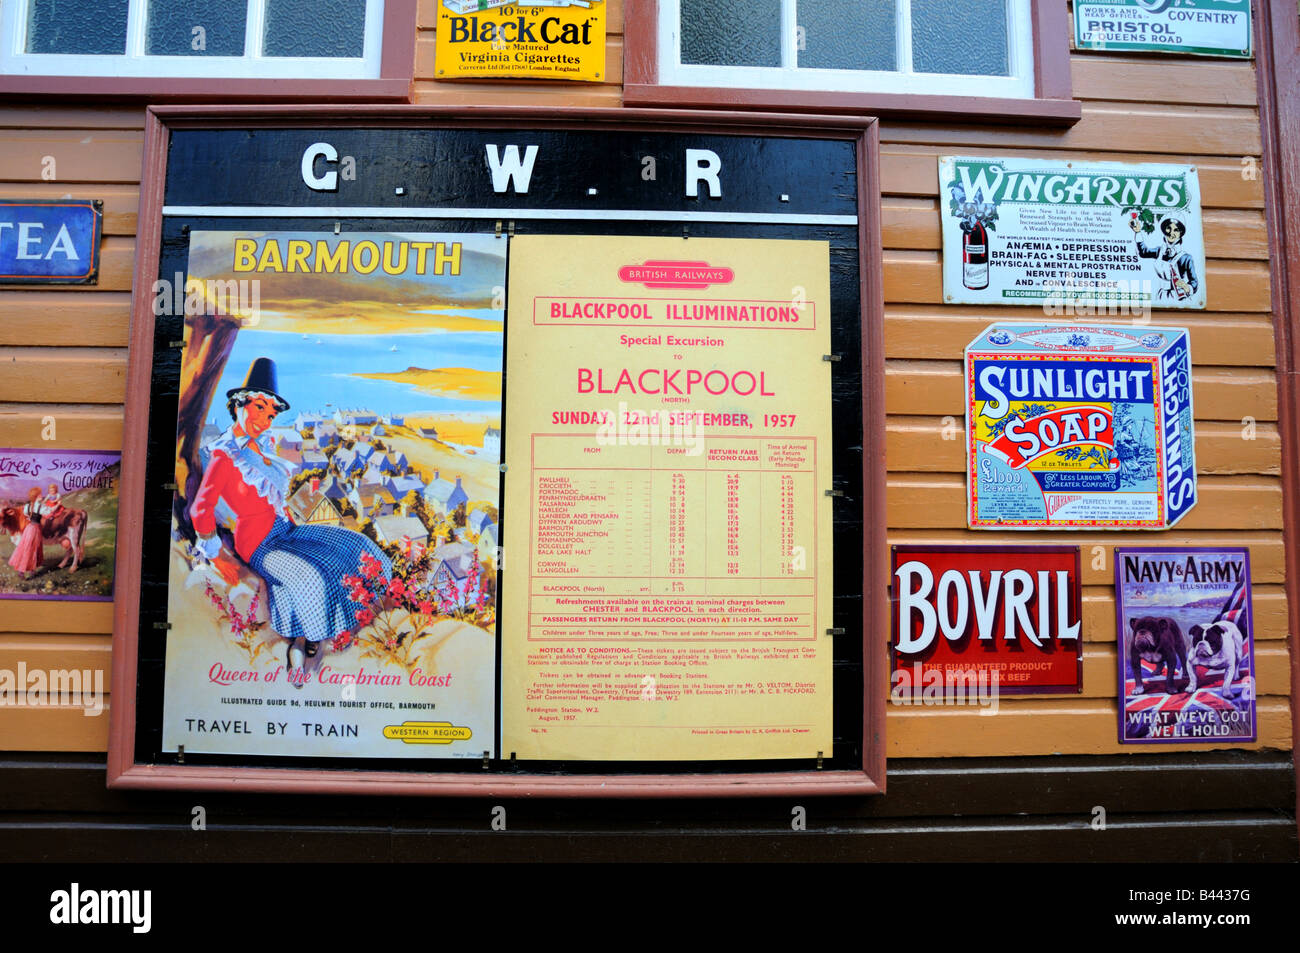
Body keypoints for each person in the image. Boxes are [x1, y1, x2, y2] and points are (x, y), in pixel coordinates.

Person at [189, 358, 392, 682]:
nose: (264, 419)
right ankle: (306, 642)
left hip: (285, 529)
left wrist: (292, 525)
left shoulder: (264, 447)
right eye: (258, 408)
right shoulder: (224, 454)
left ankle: (318, 637)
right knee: (309, 577)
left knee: (353, 544)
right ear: (239, 404)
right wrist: (217, 554)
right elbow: (200, 508)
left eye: (270, 414)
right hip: (256, 541)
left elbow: (274, 499)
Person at [1131, 213, 1199, 302]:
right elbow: (1143, 253)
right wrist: (1138, 232)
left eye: (1176, 230)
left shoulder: (1186, 258)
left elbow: (1194, 282)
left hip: (1178, 297)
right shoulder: (1159, 251)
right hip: (1161, 295)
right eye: (1168, 228)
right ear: (1164, 230)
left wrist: (1186, 287)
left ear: (1180, 233)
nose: (1172, 233)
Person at [7, 487, 45, 578]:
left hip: (29, 528)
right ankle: (27, 571)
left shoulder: (28, 506)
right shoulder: (40, 506)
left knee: (26, 548)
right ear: (35, 496)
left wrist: (29, 518)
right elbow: (48, 513)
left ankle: (25, 571)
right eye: (39, 494)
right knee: (33, 549)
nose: (41, 496)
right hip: (35, 529)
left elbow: (26, 514)